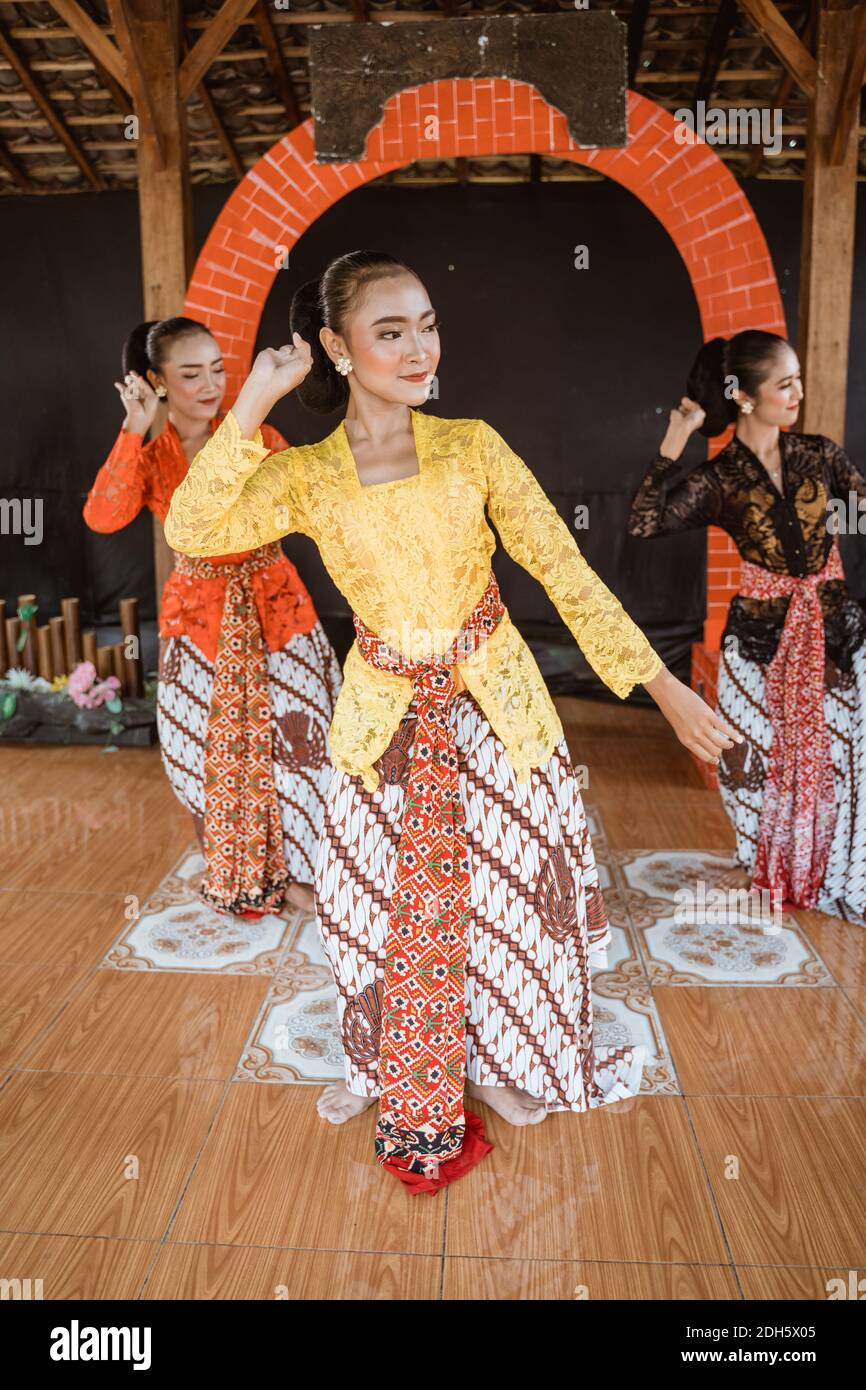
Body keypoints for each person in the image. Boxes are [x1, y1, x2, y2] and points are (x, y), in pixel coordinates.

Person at [164, 249, 737, 1193]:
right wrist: (252, 403)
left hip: (497, 707)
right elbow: (193, 530)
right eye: (390, 332)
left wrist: (663, 686)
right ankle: (385, 1062)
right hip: (382, 718)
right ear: (337, 351)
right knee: (364, 909)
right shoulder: (304, 475)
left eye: (426, 323)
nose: (420, 347)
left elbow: (564, 570)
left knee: (514, 903)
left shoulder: (472, 445)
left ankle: (511, 1061)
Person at [84, 317, 342, 919]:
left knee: (306, 748)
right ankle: (250, 877)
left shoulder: (256, 434)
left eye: (218, 369)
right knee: (192, 755)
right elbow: (104, 516)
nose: (209, 384)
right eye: (190, 373)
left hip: (277, 607)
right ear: (157, 381)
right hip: (197, 619)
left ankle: (312, 876)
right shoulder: (153, 452)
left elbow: (310, 502)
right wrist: (133, 425)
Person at [628, 330, 866, 925]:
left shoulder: (821, 454)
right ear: (746, 397)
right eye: (785, 384)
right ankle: (773, 868)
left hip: (836, 633)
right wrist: (673, 445)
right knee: (751, 772)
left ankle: (831, 874)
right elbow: (644, 523)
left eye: (799, 380)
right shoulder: (721, 479)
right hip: (759, 642)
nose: (799, 393)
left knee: (846, 766)